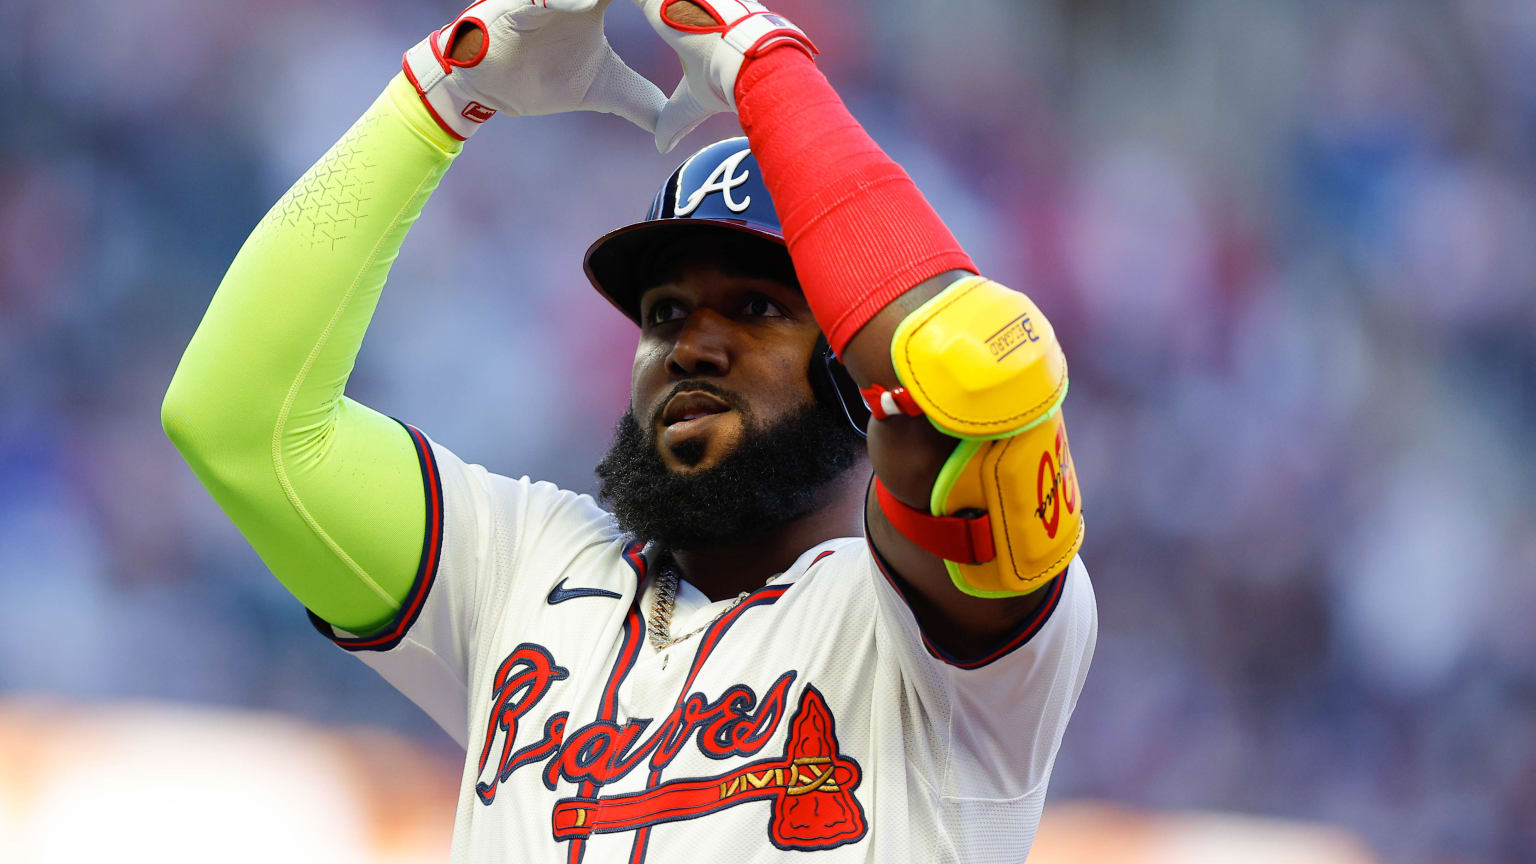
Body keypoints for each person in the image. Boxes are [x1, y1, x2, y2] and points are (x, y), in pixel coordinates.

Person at [162, 0, 1097, 860]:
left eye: (758, 308)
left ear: (853, 364)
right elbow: (240, 422)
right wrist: (441, 94)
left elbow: (972, 369)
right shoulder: (520, 570)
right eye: (664, 313)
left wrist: (766, 67)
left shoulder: (935, 647)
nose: (693, 345)